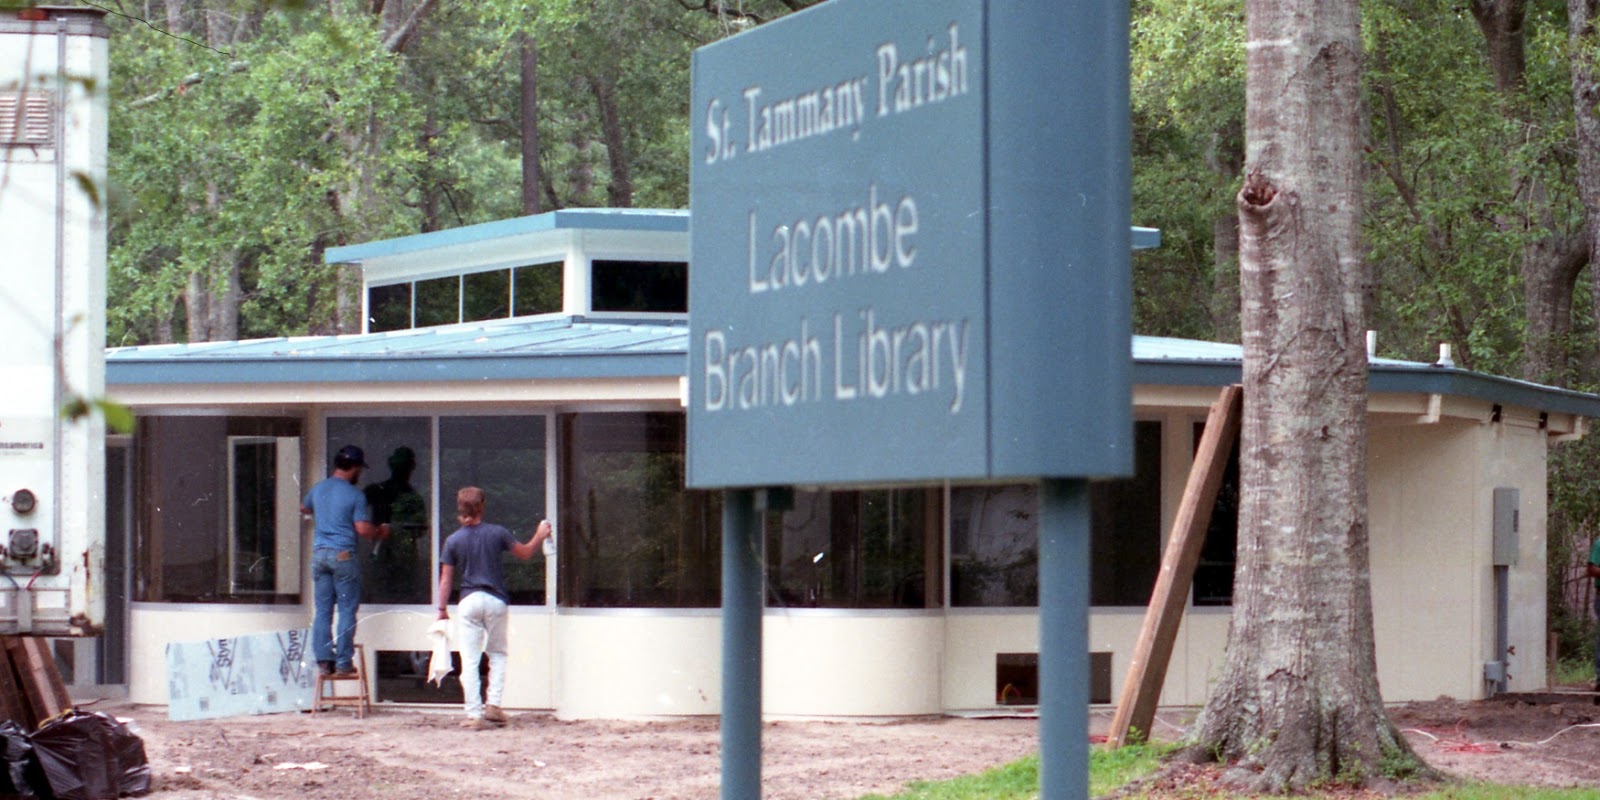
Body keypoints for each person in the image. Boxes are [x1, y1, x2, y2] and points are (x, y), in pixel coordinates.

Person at [436, 486, 552, 729]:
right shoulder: (497, 533)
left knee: (469, 659)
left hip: (468, 601)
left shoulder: (453, 540)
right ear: (482, 507)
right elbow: (525, 553)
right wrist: (539, 535)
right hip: (495, 599)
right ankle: (493, 706)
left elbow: (445, 579)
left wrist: (441, 609)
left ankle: (473, 714)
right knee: (497, 653)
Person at [302, 445, 390, 677]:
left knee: (323, 610)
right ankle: (342, 663)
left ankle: (324, 662)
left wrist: (322, 514)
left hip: (320, 555)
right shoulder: (355, 495)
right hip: (342, 555)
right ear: (355, 467)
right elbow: (362, 529)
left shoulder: (318, 488)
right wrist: (379, 532)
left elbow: (304, 507)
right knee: (347, 609)